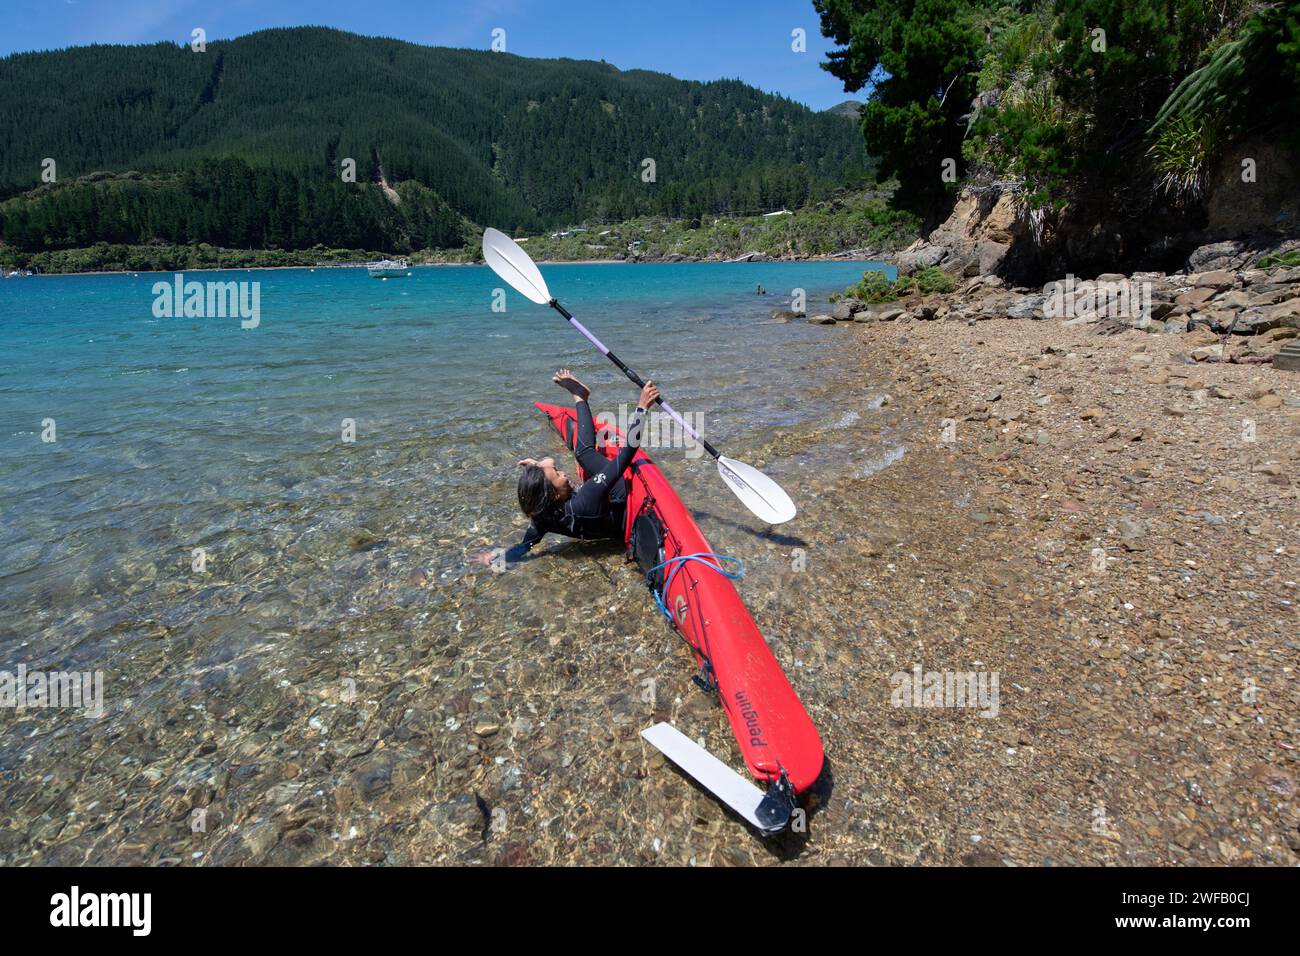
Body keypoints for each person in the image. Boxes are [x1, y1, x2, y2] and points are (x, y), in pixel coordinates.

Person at [475, 370, 659, 565]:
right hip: (620, 500)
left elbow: (524, 547)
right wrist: (642, 408)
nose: (563, 473)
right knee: (583, 453)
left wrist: (496, 558)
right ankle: (580, 397)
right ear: (553, 494)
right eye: (557, 474)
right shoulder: (588, 496)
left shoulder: (543, 516)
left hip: (596, 514)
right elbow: (627, 452)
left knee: (581, 456)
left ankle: (580, 396)